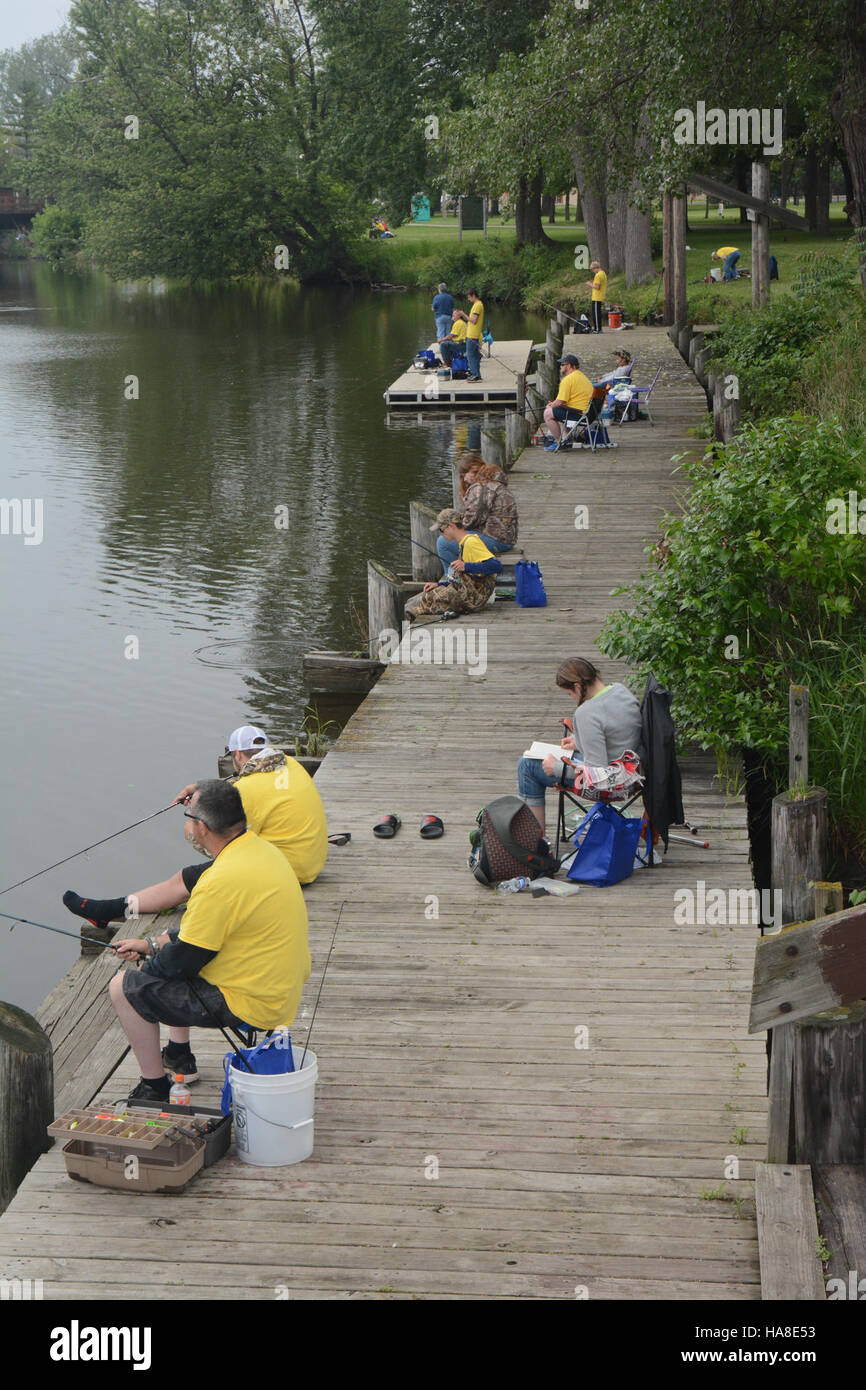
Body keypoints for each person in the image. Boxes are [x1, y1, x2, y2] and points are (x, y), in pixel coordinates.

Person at [108, 779, 311, 1101]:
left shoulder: (219, 881)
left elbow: (180, 963)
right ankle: (178, 1055)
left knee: (123, 987)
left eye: (188, 817)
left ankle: (155, 1086)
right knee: (165, 958)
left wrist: (150, 961)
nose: (186, 823)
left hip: (252, 1002)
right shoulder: (261, 850)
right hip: (281, 986)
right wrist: (152, 945)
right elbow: (211, 933)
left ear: (201, 828)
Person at [62, 725, 328, 933]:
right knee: (190, 876)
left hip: (287, 872)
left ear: (236, 754)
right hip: (310, 862)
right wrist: (202, 788)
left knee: (184, 880)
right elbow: (245, 783)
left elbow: (220, 844)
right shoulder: (290, 765)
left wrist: (192, 825)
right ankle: (111, 909)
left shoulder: (248, 790)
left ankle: (105, 911)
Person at [517, 658, 643, 835]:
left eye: (570, 694)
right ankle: (533, 838)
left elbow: (596, 774)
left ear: (577, 686)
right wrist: (579, 741)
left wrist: (556, 768)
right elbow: (616, 733)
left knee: (527, 766)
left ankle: (534, 843)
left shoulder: (586, 713)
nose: (573, 699)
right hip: (634, 774)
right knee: (531, 763)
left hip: (611, 785)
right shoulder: (621, 691)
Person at [404, 509, 502, 621]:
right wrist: (440, 584)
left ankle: (402, 633)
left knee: (414, 606)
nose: (441, 533)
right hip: (467, 594)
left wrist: (466, 566)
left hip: (472, 599)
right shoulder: (464, 542)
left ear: (451, 526)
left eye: (441, 529)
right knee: (414, 600)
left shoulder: (470, 543)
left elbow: (496, 566)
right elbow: (465, 579)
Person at [435, 455, 518, 574]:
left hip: (496, 540)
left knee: (443, 542)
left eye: (464, 475)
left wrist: (456, 525)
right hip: (507, 538)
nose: (464, 480)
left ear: (472, 470)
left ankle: (454, 580)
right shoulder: (493, 482)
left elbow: (473, 519)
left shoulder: (481, 487)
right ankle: (464, 573)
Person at [542, 354, 595, 449]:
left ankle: (559, 443)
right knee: (557, 410)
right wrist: (553, 404)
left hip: (578, 413)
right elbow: (562, 401)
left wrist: (551, 406)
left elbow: (560, 401)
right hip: (588, 413)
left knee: (548, 413)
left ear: (569, 366)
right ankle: (566, 438)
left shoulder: (567, 380)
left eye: (562, 364)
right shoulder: (582, 377)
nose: (560, 367)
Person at [455, 288, 485, 381]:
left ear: (473, 295)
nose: (468, 299)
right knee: (474, 355)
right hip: (472, 334)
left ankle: (475, 374)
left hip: (473, 335)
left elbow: (474, 320)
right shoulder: (477, 305)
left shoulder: (477, 305)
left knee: (470, 355)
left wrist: (463, 314)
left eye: (469, 297)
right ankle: (477, 374)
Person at [585, 260, 607, 333]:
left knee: (596, 314)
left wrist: (589, 284)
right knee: (597, 313)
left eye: (593, 269)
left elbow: (597, 287)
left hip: (597, 297)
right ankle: (597, 328)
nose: (593, 271)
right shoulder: (603, 273)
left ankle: (597, 329)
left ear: (595, 268)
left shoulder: (598, 275)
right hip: (600, 296)